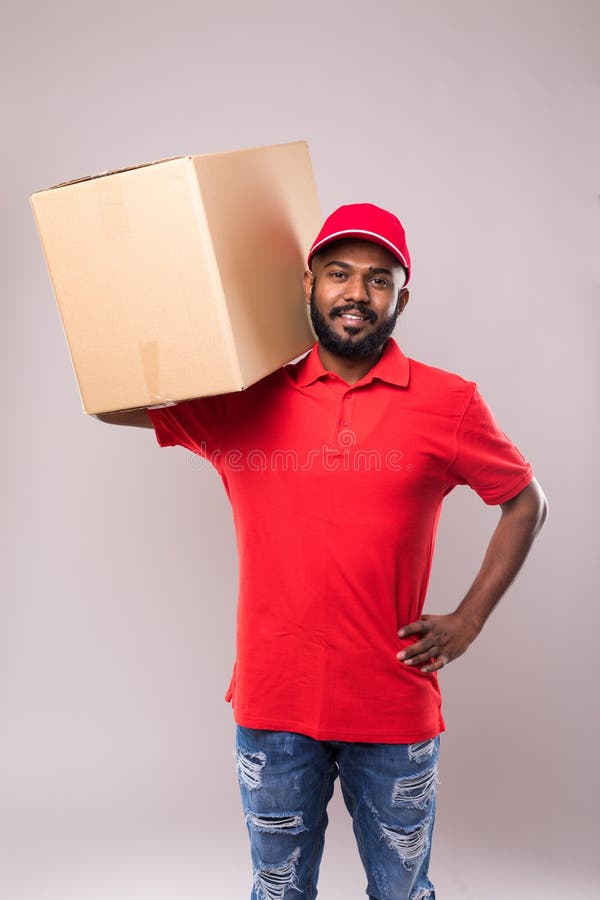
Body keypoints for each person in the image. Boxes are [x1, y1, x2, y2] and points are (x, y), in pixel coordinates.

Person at [96, 203, 548, 900]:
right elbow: (110, 398)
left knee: (402, 894)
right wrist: (180, 318)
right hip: (274, 706)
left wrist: (470, 619)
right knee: (278, 893)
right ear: (307, 284)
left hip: (393, 706)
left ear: (402, 296)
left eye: (378, 279)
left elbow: (525, 500)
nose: (356, 294)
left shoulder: (448, 402)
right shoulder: (243, 399)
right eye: (338, 274)